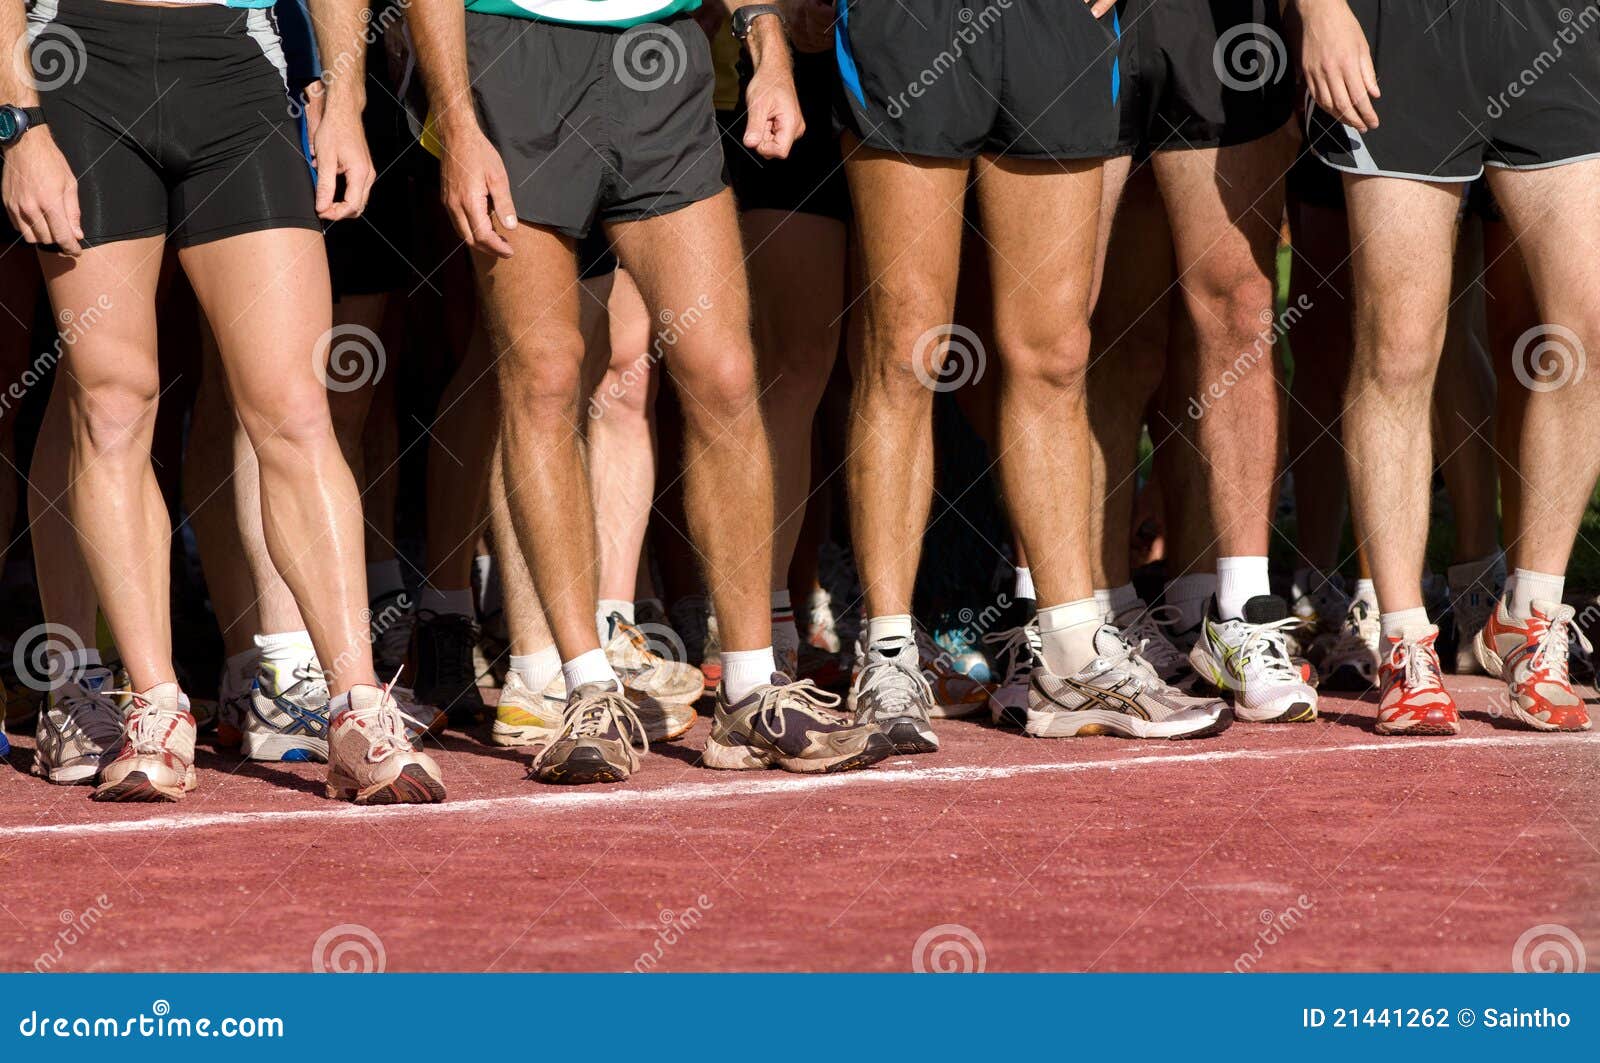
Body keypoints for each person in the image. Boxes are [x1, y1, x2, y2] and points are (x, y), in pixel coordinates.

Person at [408, 0, 891, 782]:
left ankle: (750, 691)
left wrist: (767, 47)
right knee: (545, 376)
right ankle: (584, 688)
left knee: (724, 370)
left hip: (661, 49)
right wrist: (458, 125)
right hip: (515, 55)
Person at [0, 0, 444, 802]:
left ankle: (357, 705)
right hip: (81, 59)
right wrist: (19, 124)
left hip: (237, 63)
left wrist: (343, 98)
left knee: (295, 406)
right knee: (111, 404)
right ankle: (156, 706)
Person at [837, 0, 1229, 744]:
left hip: (1054, 23)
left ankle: (1073, 655)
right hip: (913, 20)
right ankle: (888, 656)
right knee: (907, 350)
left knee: (1055, 354)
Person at [1300, 0, 1600, 734]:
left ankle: (1531, 617)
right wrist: (1318, 8)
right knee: (1398, 347)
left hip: (1552, 23)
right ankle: (1405, 641)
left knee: (1589, 331)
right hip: (1401, 29)